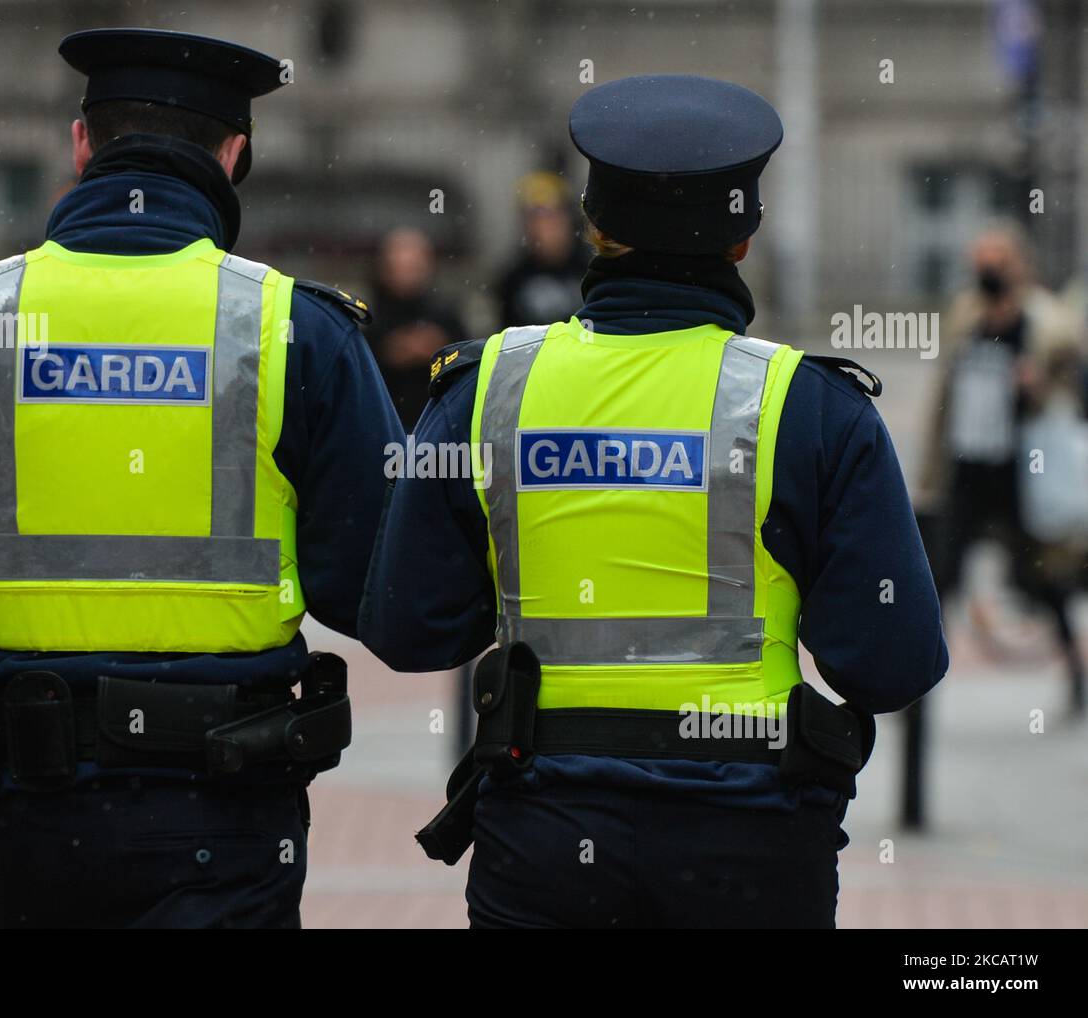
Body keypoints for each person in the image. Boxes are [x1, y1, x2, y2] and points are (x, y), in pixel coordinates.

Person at [0, 27, 402, 929]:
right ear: (235, 154)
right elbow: (382, 593)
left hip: (27, 816)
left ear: (80, 143)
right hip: (228, 808)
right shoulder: (296, 331)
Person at [359, 75, 948, 929]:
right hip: (749, 845)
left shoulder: (485, 389)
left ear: (596, 227)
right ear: (743, 239)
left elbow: (410, 629)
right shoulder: (811, 410)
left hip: (545, 846)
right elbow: (892, 664)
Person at [918, 227, 1085, 713]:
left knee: (1040, 580)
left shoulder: (1047, 324)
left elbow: (1070, 391)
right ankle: (918, 693)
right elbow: (944, 398)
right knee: (939, 579)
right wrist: (932, 472)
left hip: (1019, 476)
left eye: (996, 261)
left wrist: (1038, 382)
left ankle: (1075, 674)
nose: (986, 271)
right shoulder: (966, 316)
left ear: (1018, 266)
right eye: (980, 261)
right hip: (968, 471)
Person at [363, 227, 467, 430]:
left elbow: (466, 362)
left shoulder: (445, 313)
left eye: (412, 266)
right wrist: (392, 351)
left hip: (437, 425)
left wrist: (439, 349)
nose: (405, 274)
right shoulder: (370, 316)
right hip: (386, 423)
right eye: (399, 266)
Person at [495, 171, 591, 328]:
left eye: (550, 216)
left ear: (567, 218)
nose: (542, 227)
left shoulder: (590, 268)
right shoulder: (513, 279)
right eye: (534, 217)